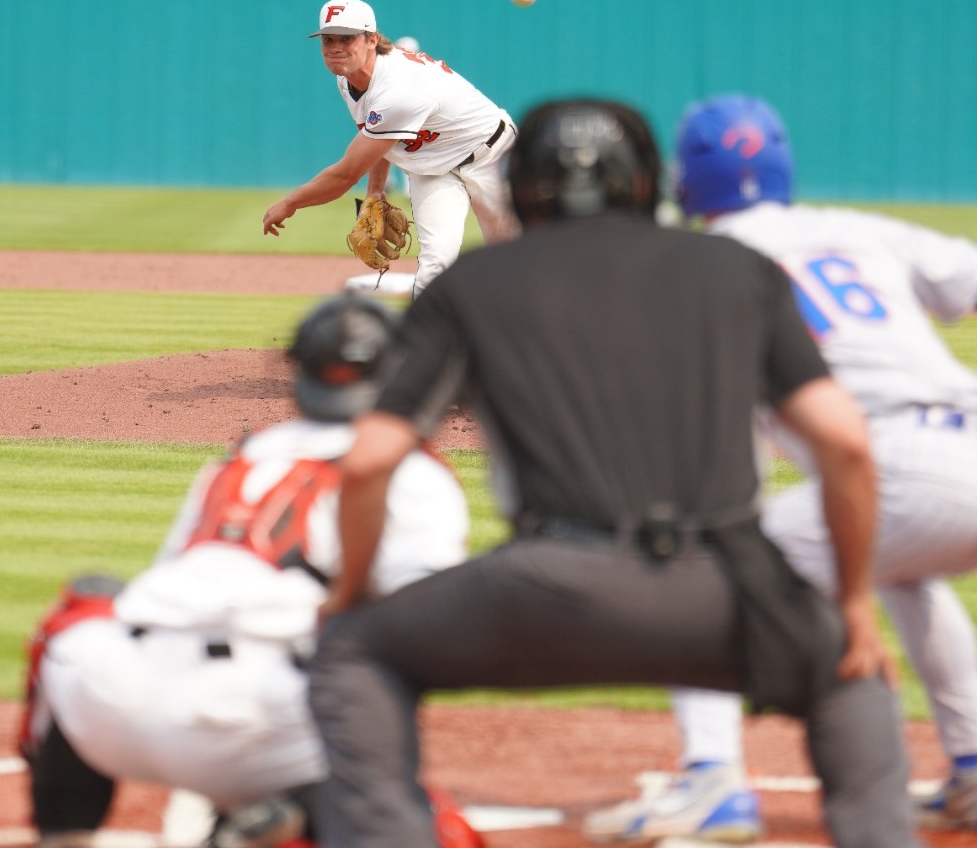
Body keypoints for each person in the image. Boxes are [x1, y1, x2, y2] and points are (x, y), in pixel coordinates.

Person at [308, 98, 922, 848]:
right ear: (646, 182)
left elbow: (370, 460)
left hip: (545, 587)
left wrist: (349, 593)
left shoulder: (474, 284)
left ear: (524, 185)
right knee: (848, 676)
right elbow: (848, 446)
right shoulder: (740, 269)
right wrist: (854, 603)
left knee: (355, 651)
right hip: (727, 592)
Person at [583, 94, 977, 843]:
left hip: (909, 466)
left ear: (687, 180)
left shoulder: (701, 261)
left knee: (693, 565)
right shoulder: (851, 226)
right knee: (896, 569)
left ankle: (712, 777)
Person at [18, 295, 471, 848]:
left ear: (297, 371)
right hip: (264, 726)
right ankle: (293, 822)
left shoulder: (244, 455)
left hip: (114, 705)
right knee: (424, 825)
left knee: (80, 614)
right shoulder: (413, 470)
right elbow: (427, 619)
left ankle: (64, 832)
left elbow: (164, 579)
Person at [262, 0, 519, 295]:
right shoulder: (348, 78)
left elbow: (345, 175)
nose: (335, 47)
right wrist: (375, 190)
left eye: (347, 39)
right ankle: (426, 341)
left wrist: (290, 203)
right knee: (436, 263)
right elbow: (379, 137)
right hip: (432, 168)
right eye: (328, 39)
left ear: (372, 39)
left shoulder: (399, 88)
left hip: (490, 156)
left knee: (514, 259)